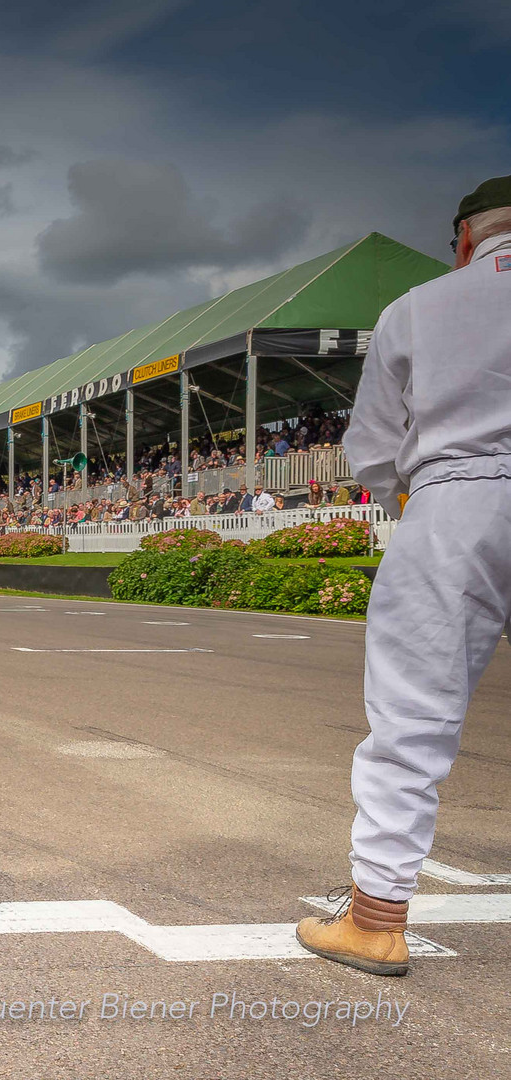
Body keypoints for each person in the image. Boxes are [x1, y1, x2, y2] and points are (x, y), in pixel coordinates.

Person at [296, 175, 511, 976]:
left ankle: (377, 921)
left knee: (412, 721)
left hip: (459, 500)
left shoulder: (419, 306)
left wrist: (417, 505)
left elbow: (378, 448)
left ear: (464, 239)